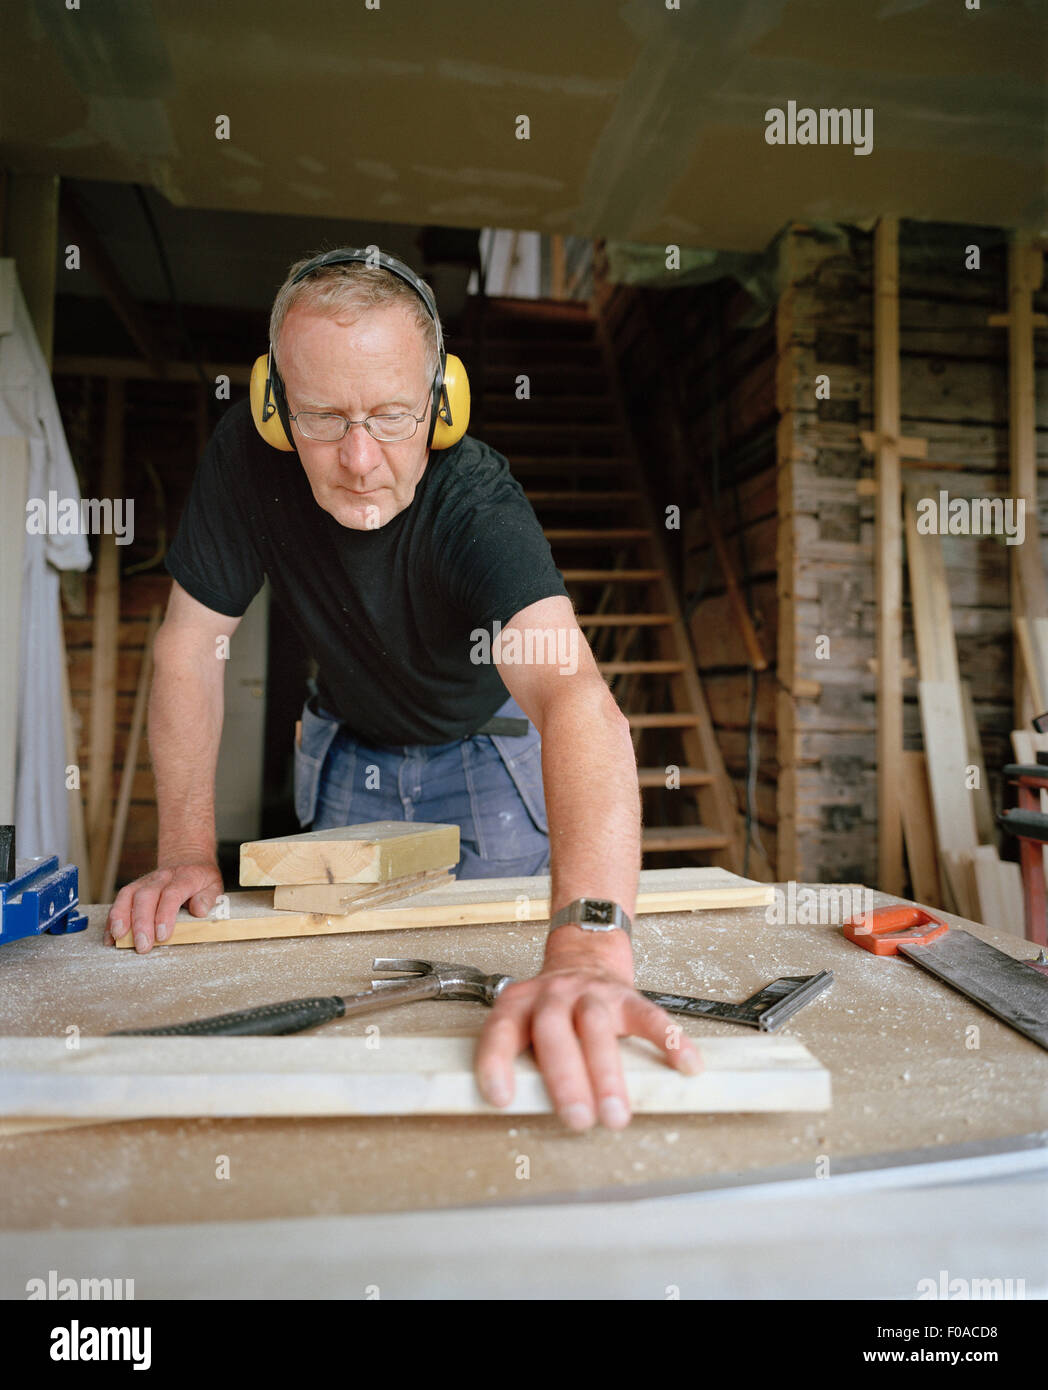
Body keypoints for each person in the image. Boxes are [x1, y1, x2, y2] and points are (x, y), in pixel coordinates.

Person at [106, 247, 701, 1130]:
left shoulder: (474, 500)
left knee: (485, 983)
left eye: (391, 417)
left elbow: (573, 691)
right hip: (352, 745)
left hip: (486, 750)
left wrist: (586, 946)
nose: (357, 458)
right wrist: (187, 851)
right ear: (273, 410)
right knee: (355, 989)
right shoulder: (244, 464)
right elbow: (191, 650)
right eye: (320, 417)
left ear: (443, 405)